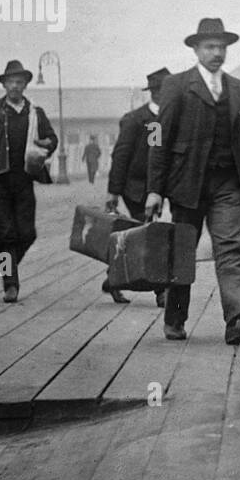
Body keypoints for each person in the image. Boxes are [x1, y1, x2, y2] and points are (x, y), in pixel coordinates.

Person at [145, 19, 240, 345]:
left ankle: (238, 319)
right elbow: (158, 139)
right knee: (183, 252)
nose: (217, 53)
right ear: (196, 50)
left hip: (227, 185)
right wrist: (155, 190)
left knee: (230, 247)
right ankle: (174, 318)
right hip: (186, 184)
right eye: (210, 47)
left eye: (221, 47)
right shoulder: (176, 85)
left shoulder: (237, 89)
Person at [0, 59, 58, 303]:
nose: (14, 86)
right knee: (5, 235)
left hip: (24, 180)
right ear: (4, 85)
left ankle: (9, 265)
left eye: (19, 82)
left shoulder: (35, 112)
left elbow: (52, 138)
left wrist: (48, 144)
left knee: (27, 233)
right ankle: (9, 283)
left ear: (26, 85)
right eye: (10, 82)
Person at [104, 67, 170, 305]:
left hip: (165, 188)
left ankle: (114, 277)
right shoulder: (134, 119)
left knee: (146, 236)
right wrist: (113, 190)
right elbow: (120, 156)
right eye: (163, 90)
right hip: (137, 188)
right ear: (154, 93)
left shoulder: (172, 117)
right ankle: (161, 290)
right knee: (151, 237)